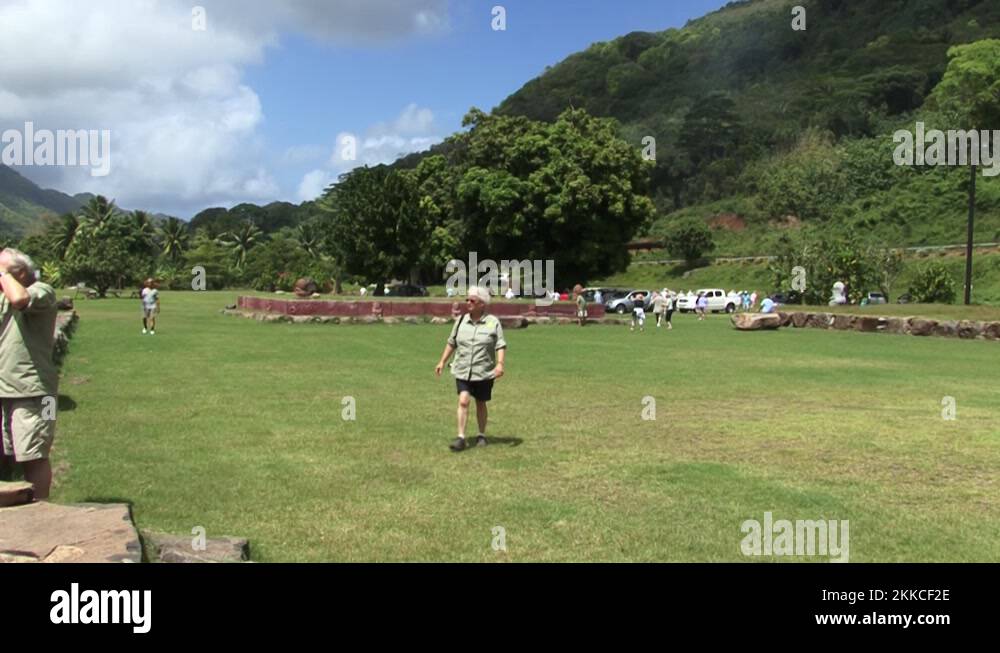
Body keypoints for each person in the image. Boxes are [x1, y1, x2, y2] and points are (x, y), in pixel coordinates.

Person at [0, 248, 58, 499]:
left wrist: (2, 274)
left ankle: (42, 511)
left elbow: (20, 300)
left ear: (20, 272)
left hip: (38, 393)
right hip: (8, 389)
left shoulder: (42, 291)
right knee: (16, 455)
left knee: (35, 455)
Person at [435, 286, 507, 452]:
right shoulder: (460, 321)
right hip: (462, 369)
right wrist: (442, 361)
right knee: (463, 400)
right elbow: (451, 342)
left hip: (484, 370)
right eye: (467, 300)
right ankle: (461, 437)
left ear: (482, 303)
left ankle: (481, 434)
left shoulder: (492, 322)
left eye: (472, 300)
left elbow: (500, 345)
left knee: (481, 403)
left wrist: (500, 363)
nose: (468, 303)